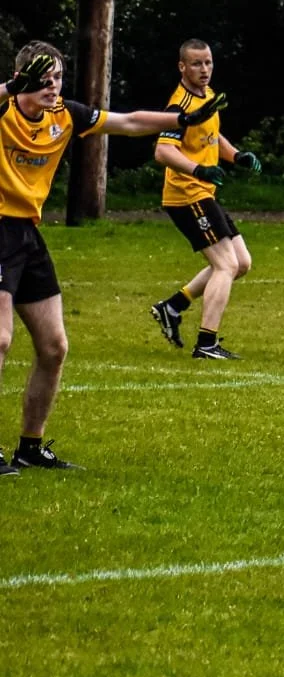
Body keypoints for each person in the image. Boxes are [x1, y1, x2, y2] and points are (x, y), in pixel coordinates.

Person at [0, 42, 227, 473]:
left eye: (58, 77)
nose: (52, 86)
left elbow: (127, 122)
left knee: (54, 347)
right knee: (1, 339)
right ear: (22, 78)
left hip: (26, 234)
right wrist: (11, 87)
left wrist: (183, 118)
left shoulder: (64, 114)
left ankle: (30, 449)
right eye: (43, 78)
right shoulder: (5, 109)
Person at [148, 39, 261, 359]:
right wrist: (199, 170)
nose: (204, 69)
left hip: (202, 193)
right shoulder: (179, 105)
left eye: (208, 62)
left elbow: (212, 135)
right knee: (226, 264)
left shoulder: (208, 97)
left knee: (242, 263)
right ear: (182, 67)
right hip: (187, 196)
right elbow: (163, 151)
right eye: (196, 64)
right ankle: (207, 344)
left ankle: (173, 307)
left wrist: (236, 156)